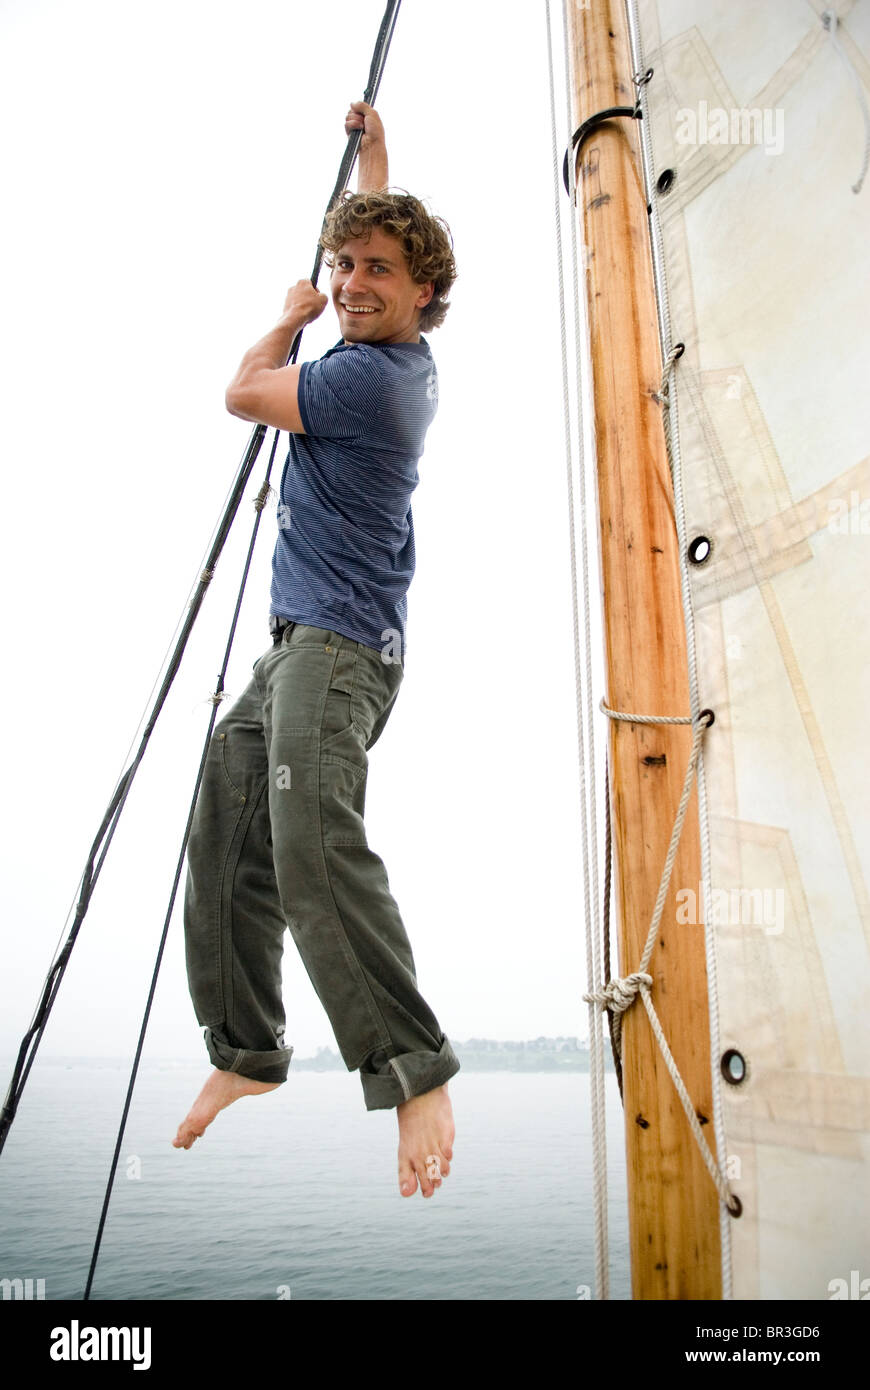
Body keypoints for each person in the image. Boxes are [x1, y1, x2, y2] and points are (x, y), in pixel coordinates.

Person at [173, 102, 460, 1200]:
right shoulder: (382, 339)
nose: (349, 280)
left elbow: (242, 392)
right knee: (226, 819)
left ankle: (409, 1065)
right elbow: (381, 232)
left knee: (308, 843)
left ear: (426, 291)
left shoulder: (364, 383)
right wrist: (376, 157)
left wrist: (283, 317)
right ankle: (246, 1049)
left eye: (373, 270)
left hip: (338, 651)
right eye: (341, 265)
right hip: (297, 646)